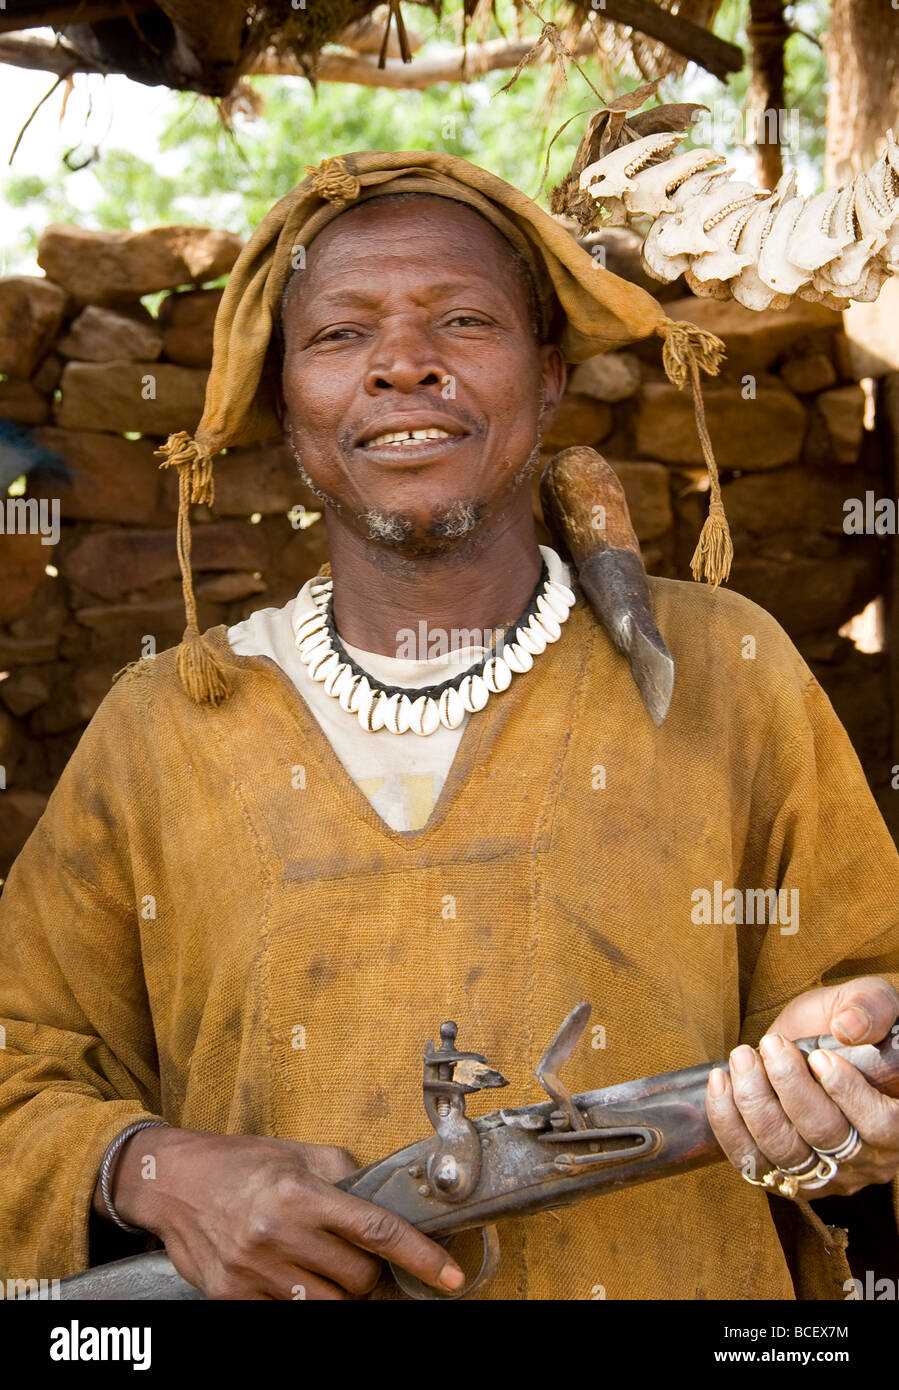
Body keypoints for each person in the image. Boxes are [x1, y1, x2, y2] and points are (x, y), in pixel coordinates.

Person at [0, 152, 897, 1301]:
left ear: (550, 378)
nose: (402, 366)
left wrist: (844, 1094)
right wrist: (155, 1170)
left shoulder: (730, 667)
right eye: (337, 335)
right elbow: (22, 1080)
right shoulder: (158, 725)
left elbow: (859, 1020)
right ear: (287, 405)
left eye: (462, 319)